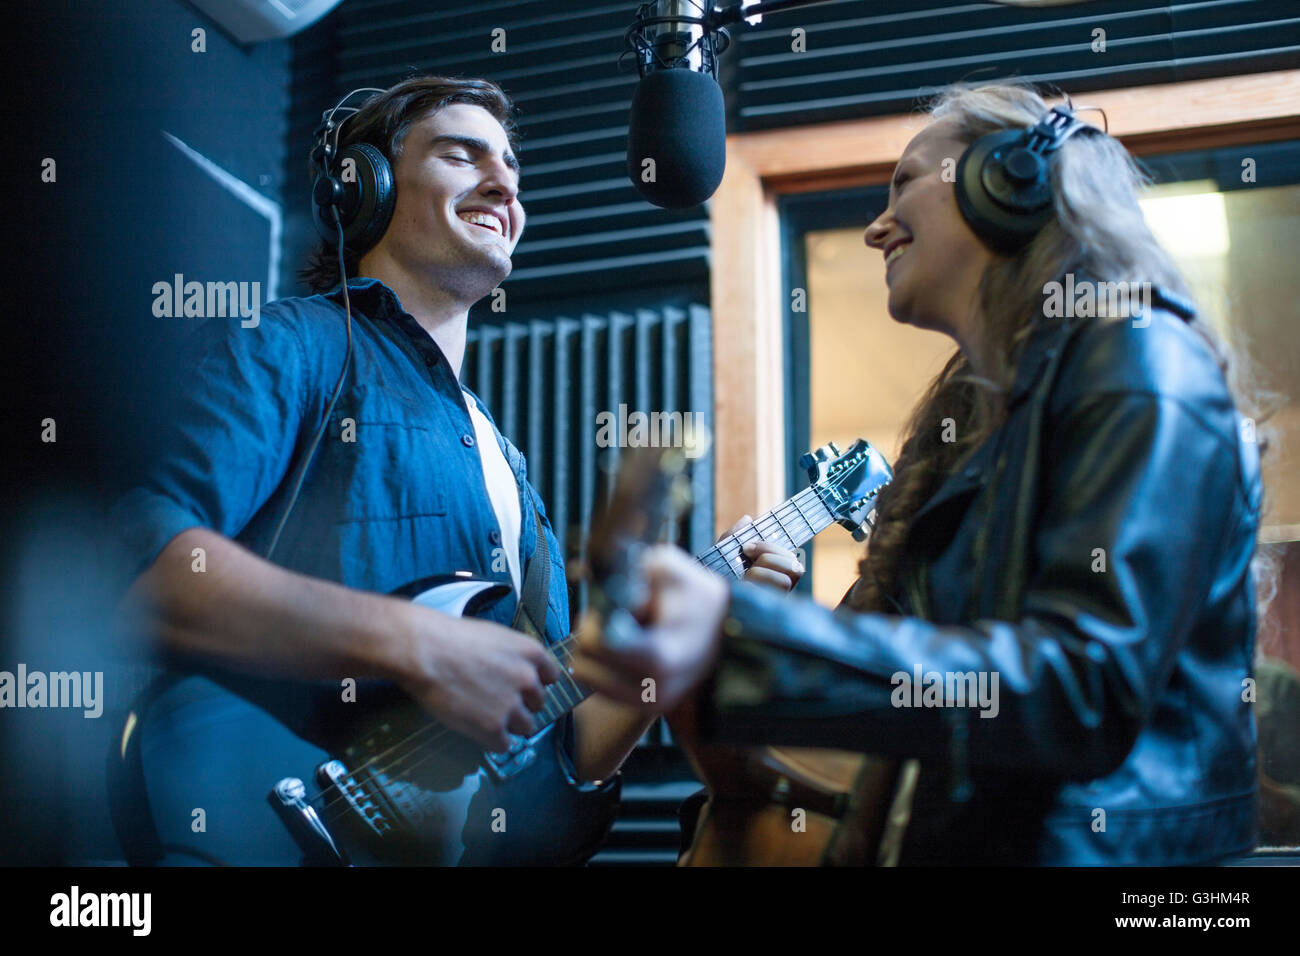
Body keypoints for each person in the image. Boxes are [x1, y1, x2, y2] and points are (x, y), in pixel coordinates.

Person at [574, 81, 1269, 865]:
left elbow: (1086, 688)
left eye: (905, 184)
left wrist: (744, 639)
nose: (876, 229)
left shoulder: (1137, 358)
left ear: (1007, 179)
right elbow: (916, 701)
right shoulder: (963, 428)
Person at [111, 75, 799, 864]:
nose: (502, 181)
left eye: (509, 165)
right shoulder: (290, 345)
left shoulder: (512, 472)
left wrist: (689, 638)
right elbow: (136, 570)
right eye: (460, 155)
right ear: (362, 188)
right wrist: (416, 643)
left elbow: (565, 749)